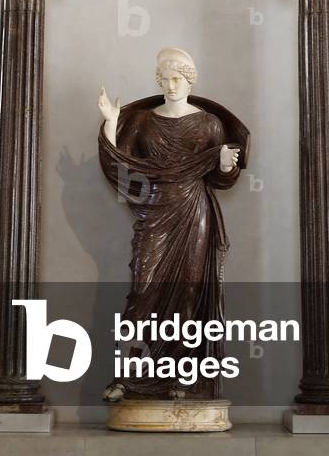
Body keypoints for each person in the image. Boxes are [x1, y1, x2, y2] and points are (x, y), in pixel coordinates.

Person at [97, 46, 249, 401]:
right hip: (154, 211)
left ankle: (182, 378)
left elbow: (222, 179)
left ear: (190, 80)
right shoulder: (144, 122)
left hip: (194, 213)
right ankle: (129, 377)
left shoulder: (208, 123)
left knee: (187, 295)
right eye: (164, 78)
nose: (171, 84)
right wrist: (110, 122)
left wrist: (225, 163)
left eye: (177, 77)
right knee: (143, 290)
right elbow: (119, 163)